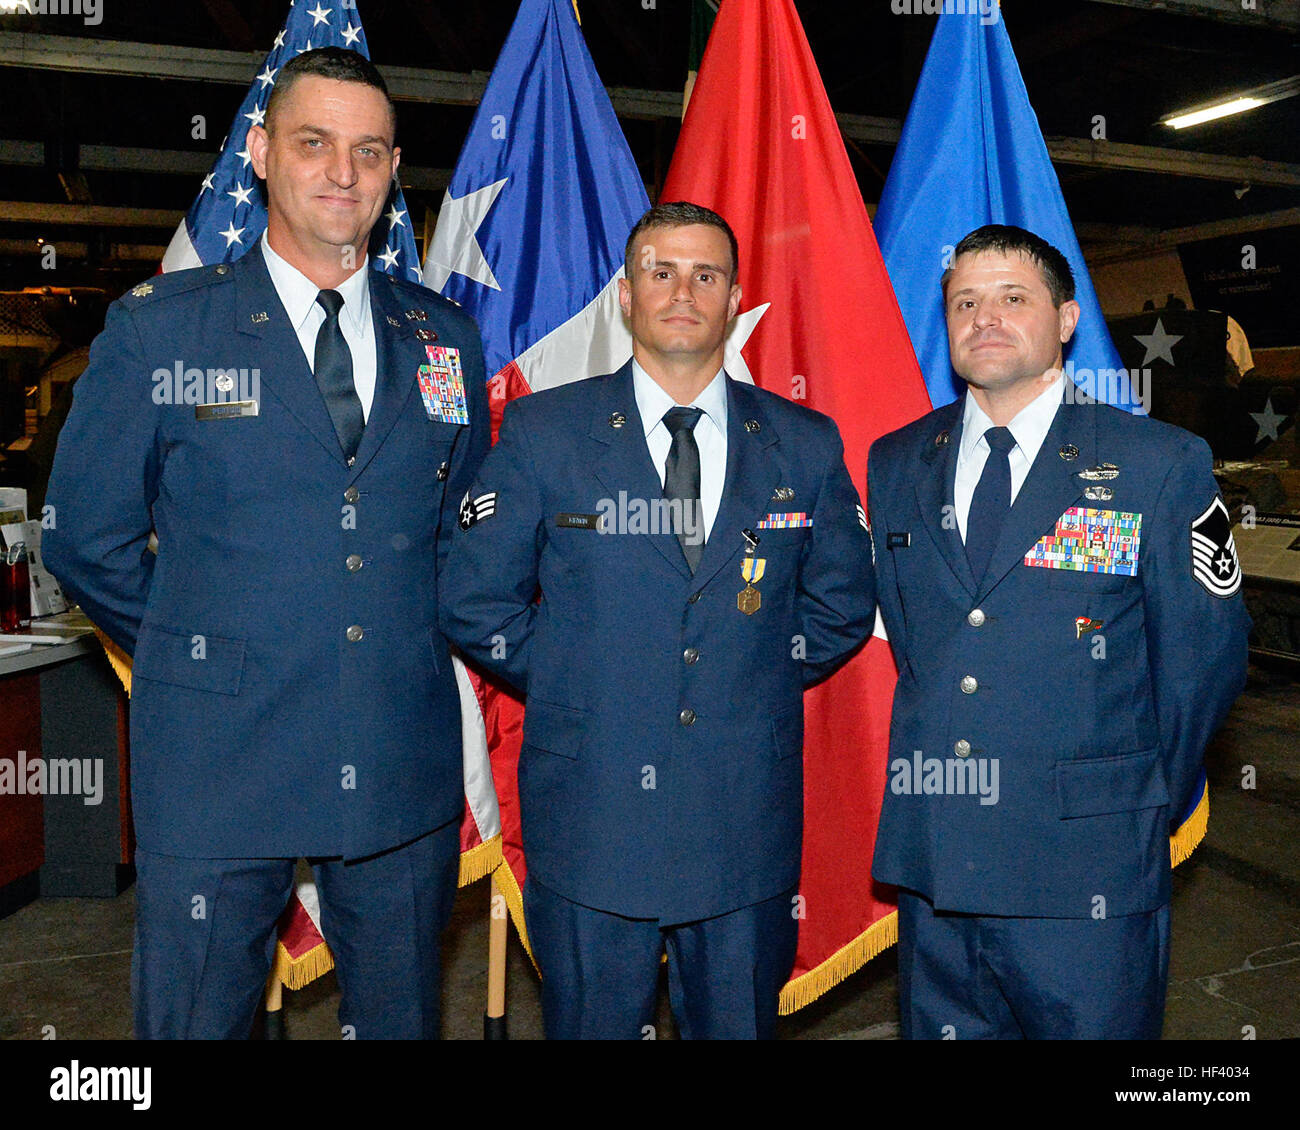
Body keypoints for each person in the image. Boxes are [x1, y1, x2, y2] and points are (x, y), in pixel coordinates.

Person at [43, 48, 489, 1039]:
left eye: (368, 150)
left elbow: (454, 518)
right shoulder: (163, 332)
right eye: (314, 143)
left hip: (395, 751)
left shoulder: (443, 338)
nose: (342, 172)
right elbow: (85, 535)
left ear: (392, 168)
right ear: (258, 153)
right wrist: (202, 642)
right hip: (217, 757)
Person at [439, 202, 874, 1039]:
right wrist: (585, 679)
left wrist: (745, 674)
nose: (684, 291)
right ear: (626, 296)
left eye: (706, 275)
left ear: (735, 297)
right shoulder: (544, 430)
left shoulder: (804, 442)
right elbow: (474, 599)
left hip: (741, 814)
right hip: (592, 811)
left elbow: (842, 603)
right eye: (661, 272)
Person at [866, 224, 1251, 1039]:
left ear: (1067, 318)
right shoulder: (898, 460)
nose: (986, 317)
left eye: (1014, 298)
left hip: (1087, 866)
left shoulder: (1157, 462)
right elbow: (921, 643)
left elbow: (1201, 660)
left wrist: (1124, 800)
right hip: (939, 858)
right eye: (965, 301)